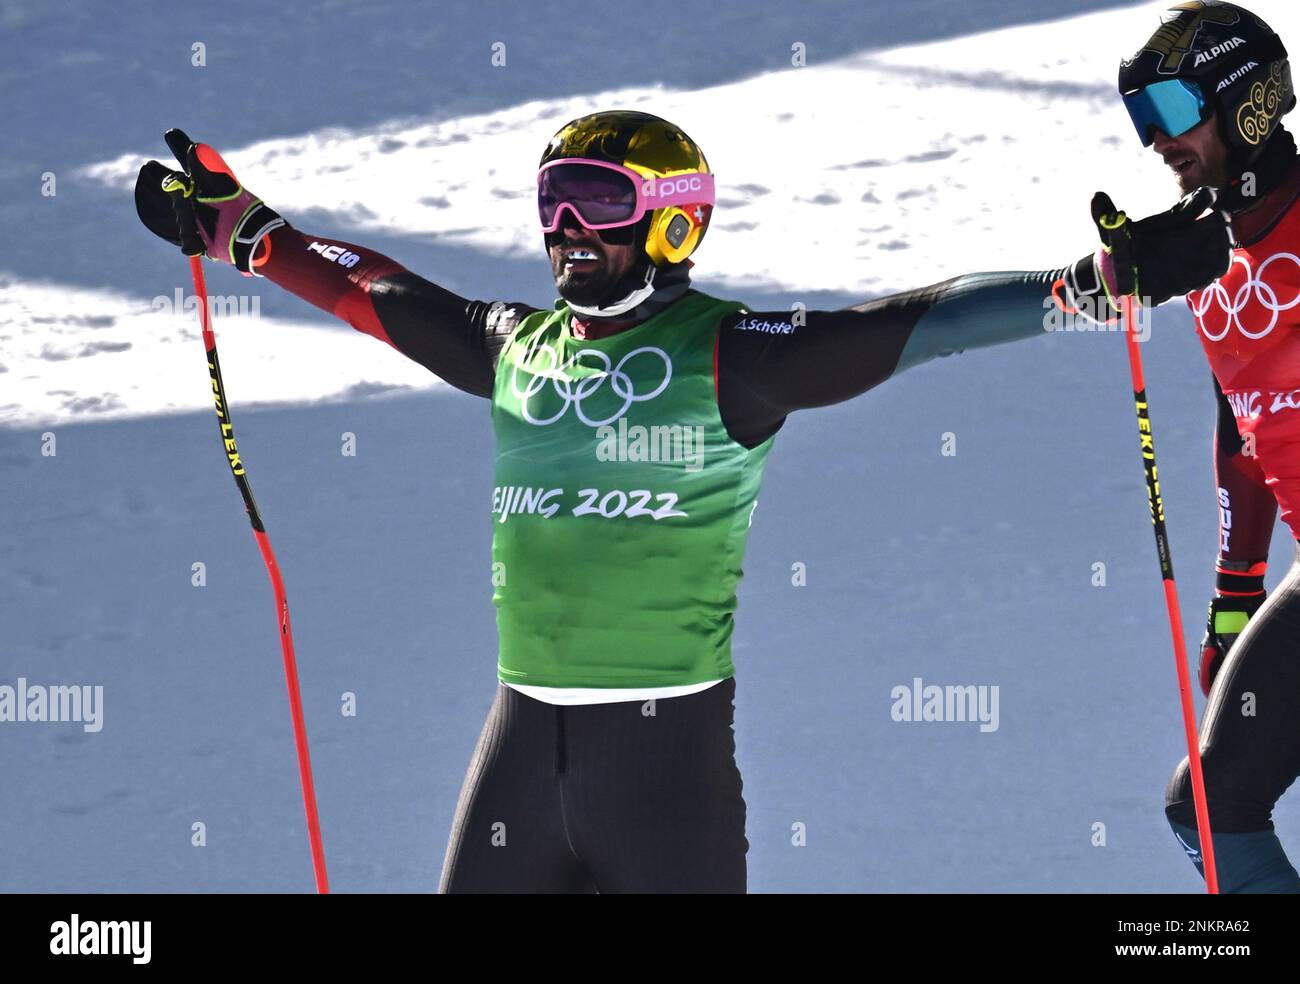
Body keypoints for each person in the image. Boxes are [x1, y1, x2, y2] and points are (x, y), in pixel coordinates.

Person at [136, 109, 1227, 892]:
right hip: (518, 744)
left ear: (670, 224)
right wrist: (242, 227)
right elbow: (375, 292)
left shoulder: (733, 356)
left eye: (599, 204)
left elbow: (917, 320)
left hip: (664, 765)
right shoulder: (518, 348)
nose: (566, 228)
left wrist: (1094, 284)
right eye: (553, 202)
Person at [1114, 0, 1300, 893]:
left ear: (1248, 104)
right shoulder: (1198, 252)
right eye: (1143, 119)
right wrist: (1235, 591)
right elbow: (1247, 421)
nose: (1157, 141)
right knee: (1211, 805)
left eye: (1175, 113)